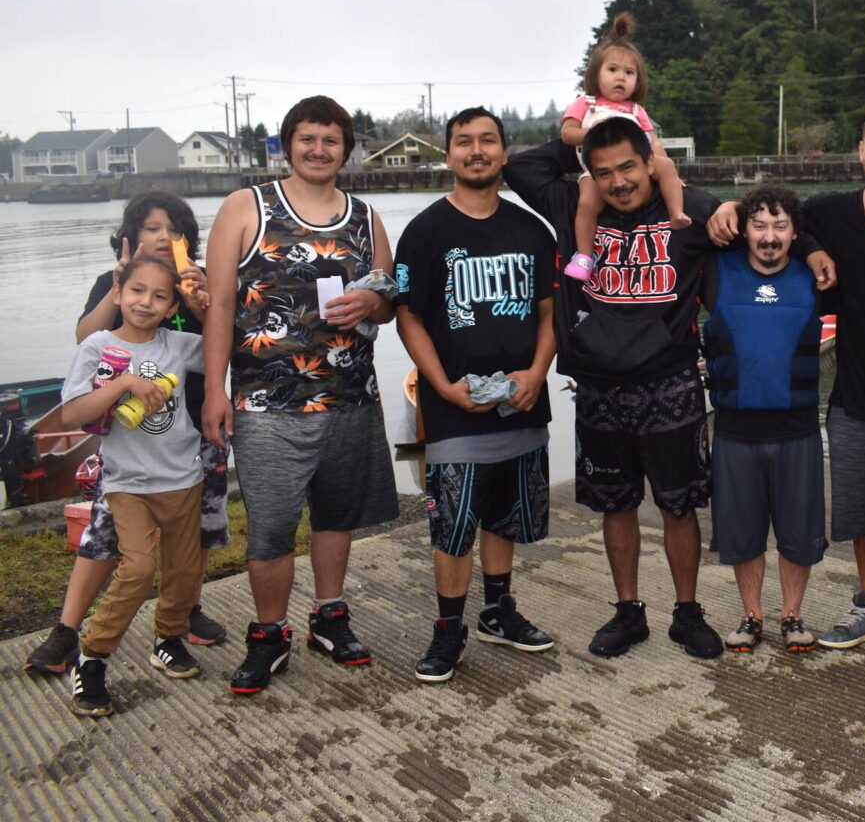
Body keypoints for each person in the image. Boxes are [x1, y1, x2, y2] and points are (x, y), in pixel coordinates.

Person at [712, 109, 865, 660]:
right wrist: (738, 211)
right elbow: (779, 222)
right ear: (861, 151)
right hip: (854, 397)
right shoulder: (831, 212)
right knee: (863, 516)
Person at [504, 116, 729, 659]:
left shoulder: (688, 208)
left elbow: (773, 224)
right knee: (616, 504)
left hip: (671, 382)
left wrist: (737, 213)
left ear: (652, 162)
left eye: (628, 166)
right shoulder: (574, 207)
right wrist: (578, 138)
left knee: (679, 506)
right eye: (603, 173)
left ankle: (687, 612)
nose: (618, 182)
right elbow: (520, 166)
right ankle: (628, 612)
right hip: (600, 386)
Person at [202, 95, 398, 695]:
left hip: (349, 397)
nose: (318, 150)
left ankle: (329, 617)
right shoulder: (245, 207)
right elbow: (220, 308)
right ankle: (267, 635)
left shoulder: (365, 216)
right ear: (288, 145)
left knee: (336, 517)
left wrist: (375, 303)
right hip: (266, 404)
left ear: (346, 149)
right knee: (272, 526)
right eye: (307, 139)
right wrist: (216, 391)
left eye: (330, 140)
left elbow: (388, 298)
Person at [25, 192, 230, 677]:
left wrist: (204, 297)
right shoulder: (116, 283)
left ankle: (180, 616)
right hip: (128, 430)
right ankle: (68, 630)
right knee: (106, 530)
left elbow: (227, 341)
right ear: (131, 237)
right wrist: (116, 287)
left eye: (175, 229)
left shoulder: (198, 282)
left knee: (193, 532)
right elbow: (86, 339)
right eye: (153, 228)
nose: (164, 237)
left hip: (195, 421)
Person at [394, 108, 558, 682]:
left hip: (520, 401)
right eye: (464, 142)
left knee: (504, 515)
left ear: (505, 153)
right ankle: (447, 630)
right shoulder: (425, 231)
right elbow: (408, 318)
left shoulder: (532, 230)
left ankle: (498, 610)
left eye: (488, 140)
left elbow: (549, 312)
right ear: (449, 155)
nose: (477, 150)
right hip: (454, 407)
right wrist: (439, 386)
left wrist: (539, 371)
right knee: (454, 522)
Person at [61, 255, 206, 716]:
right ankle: (92, 656)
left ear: (170, 307)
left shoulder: (180, 345)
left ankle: (168, 638)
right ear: (118, 291)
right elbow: (72, 415)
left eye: (160, 296)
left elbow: (231, 344)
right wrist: (123, 383)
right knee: (139, 568)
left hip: (183, 477)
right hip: (127, 483)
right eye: (137, 291)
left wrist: (203, 302)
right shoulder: (97, 347)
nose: (146, 302)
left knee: (184, 573)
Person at [702, 184, 827, 653]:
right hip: (735, 432)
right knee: (743, 533)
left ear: (796, 233)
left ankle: (792, 614)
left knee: (799, 534)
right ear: (744, 230)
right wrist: (726, 205)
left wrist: (815, 249)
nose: (769, 236)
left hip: (797, 431)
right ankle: (751, 614)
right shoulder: (715, 271)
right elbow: (687, 210)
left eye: (780, 226)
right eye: (759, 225)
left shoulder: (816, 275)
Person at [560, 13, 688, 282]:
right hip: (597, 171)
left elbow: (653, 144)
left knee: (666, 165)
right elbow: (567, 134)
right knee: (586, 202)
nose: (621, 78)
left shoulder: (636, 109)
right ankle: (584, 255)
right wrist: (594, 133)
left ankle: (676, 212)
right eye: (613, 70)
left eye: (629, 73)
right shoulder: (587, 103)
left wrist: (670, 175)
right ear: (595, 74)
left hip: (637, 167)